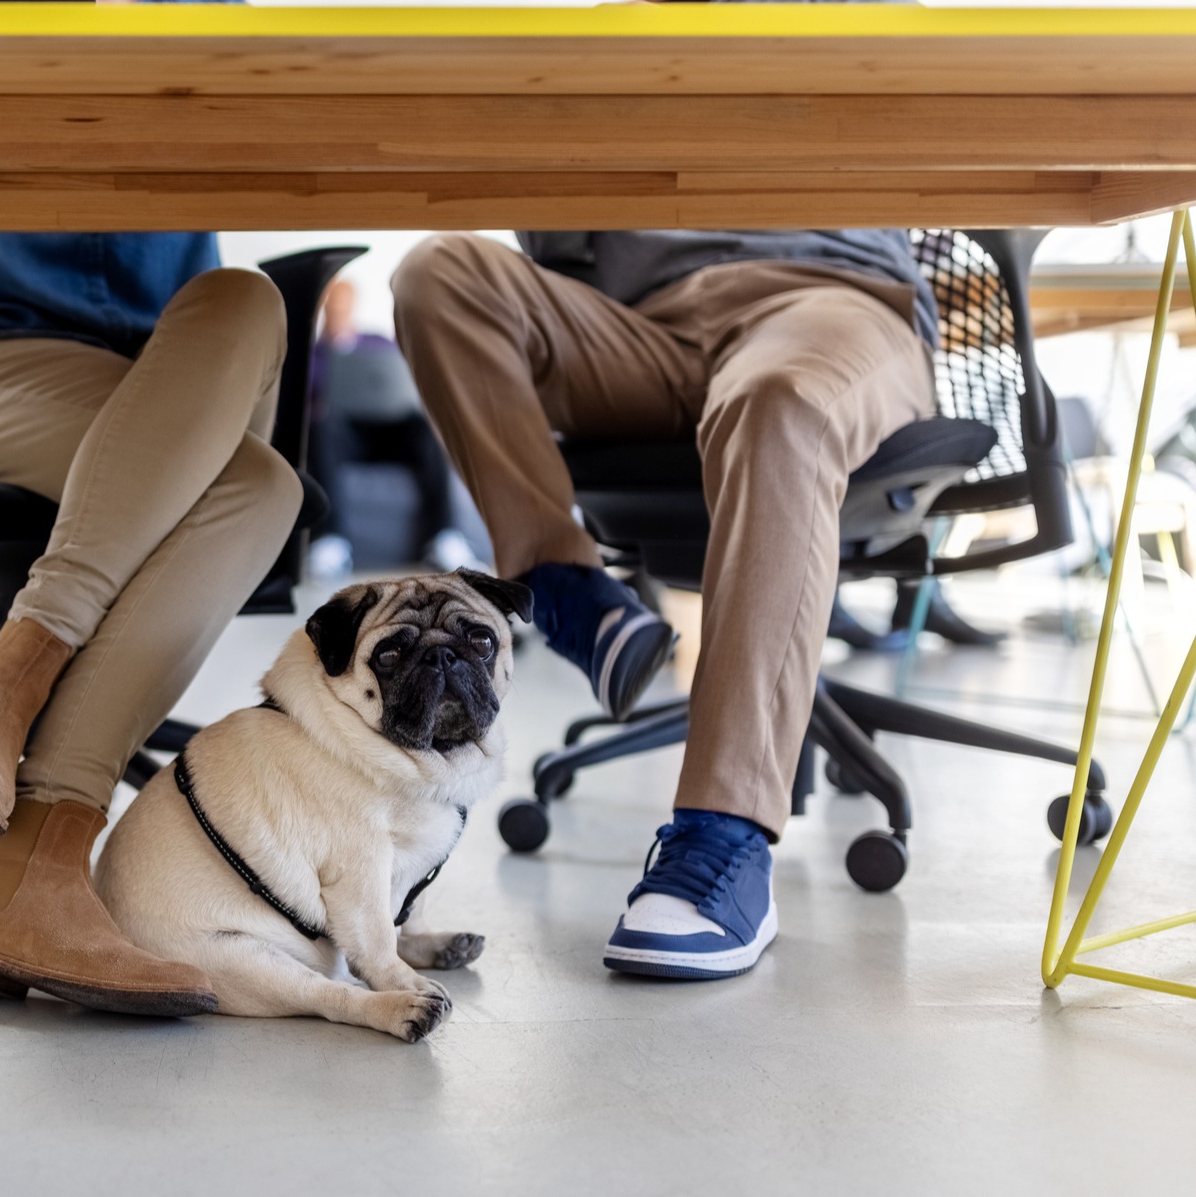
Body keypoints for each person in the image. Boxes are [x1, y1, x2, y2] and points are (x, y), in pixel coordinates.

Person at [392, 227, 938, 980]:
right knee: (438, 275)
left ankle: (725, 834)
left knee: (781, 403)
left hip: (827, 300)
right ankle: (561, 582)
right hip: (639, 323)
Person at [0, 232, 302, 1016]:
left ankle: (1, 706)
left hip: (176, 372)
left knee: (245, 299)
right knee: (254, 488)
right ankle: (27, 860)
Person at [303, 279, 478, 580]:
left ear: (352, 305)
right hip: (346, 436)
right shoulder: (313, 353)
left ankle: (445, 538)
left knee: (425, 426)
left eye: (343, 304)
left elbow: (407, 383)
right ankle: (330, 542)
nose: (338, 311)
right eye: (332, 305)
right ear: (323, 308)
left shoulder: (380, 344)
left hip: (391, 432)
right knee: (322, 425)